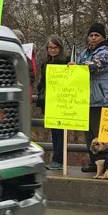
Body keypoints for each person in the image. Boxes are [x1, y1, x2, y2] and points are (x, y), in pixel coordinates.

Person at [76, 23, 108, 173]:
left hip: (103, 100)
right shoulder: (83, 53)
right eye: (91, 35)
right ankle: (94, 162)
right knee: (89, 135)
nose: (93, 38)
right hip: (86, 100)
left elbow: (96, 65)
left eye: (97, 35)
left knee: (102, 135)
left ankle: (106, 164)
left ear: (103, 37)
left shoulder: (107, 52)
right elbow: (78, 69)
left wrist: (77, 66)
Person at [35, 35, 70, 169]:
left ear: (60, 48)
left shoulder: (66, 61)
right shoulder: (45, 62)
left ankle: (59, 160)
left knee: (60, 132)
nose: (52, 50)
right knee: (54, 132)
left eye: (55, 48)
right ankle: (56, 159)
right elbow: (42, 82)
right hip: (49, 100)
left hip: (62, 100)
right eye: (50, 48)